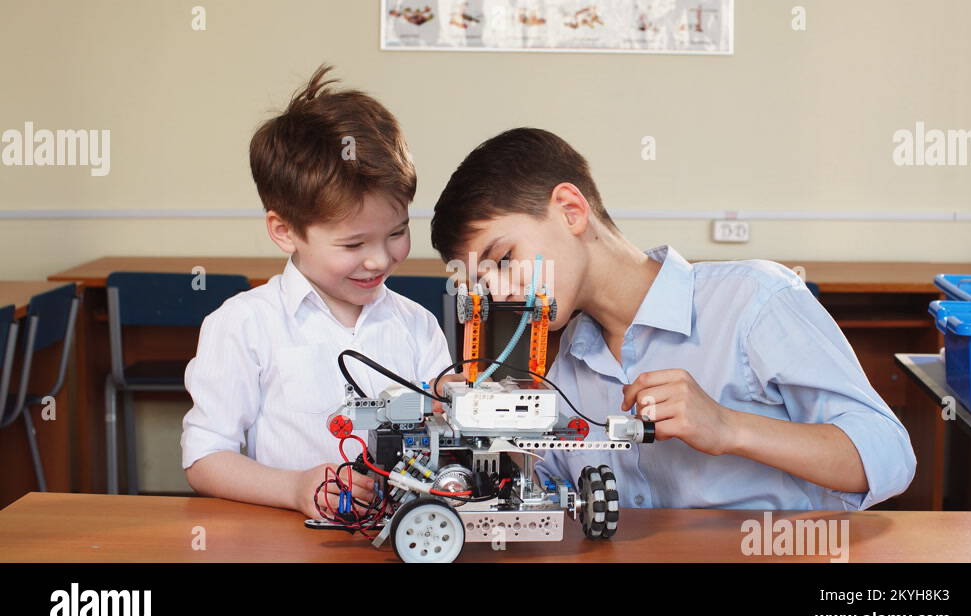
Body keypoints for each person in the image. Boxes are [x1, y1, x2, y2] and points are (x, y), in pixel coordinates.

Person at [430, 127, 916, 510]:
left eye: (503, 259)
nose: (495, 290)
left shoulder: (752, 299)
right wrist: (484, 423)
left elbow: (889, 457)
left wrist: (728, 427)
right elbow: (549, 489)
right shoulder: (565, 365)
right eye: (480, 280)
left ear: (571, 210)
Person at [182, 65, 460, 520]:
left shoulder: (416, 324)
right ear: (285, 231)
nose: (379, 260)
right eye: (353, 244)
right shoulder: (243, 324)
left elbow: (441, 424)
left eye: (397, 233)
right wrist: (295, 488)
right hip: (284, 540)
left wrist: (452, 402)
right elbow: (204, 460)